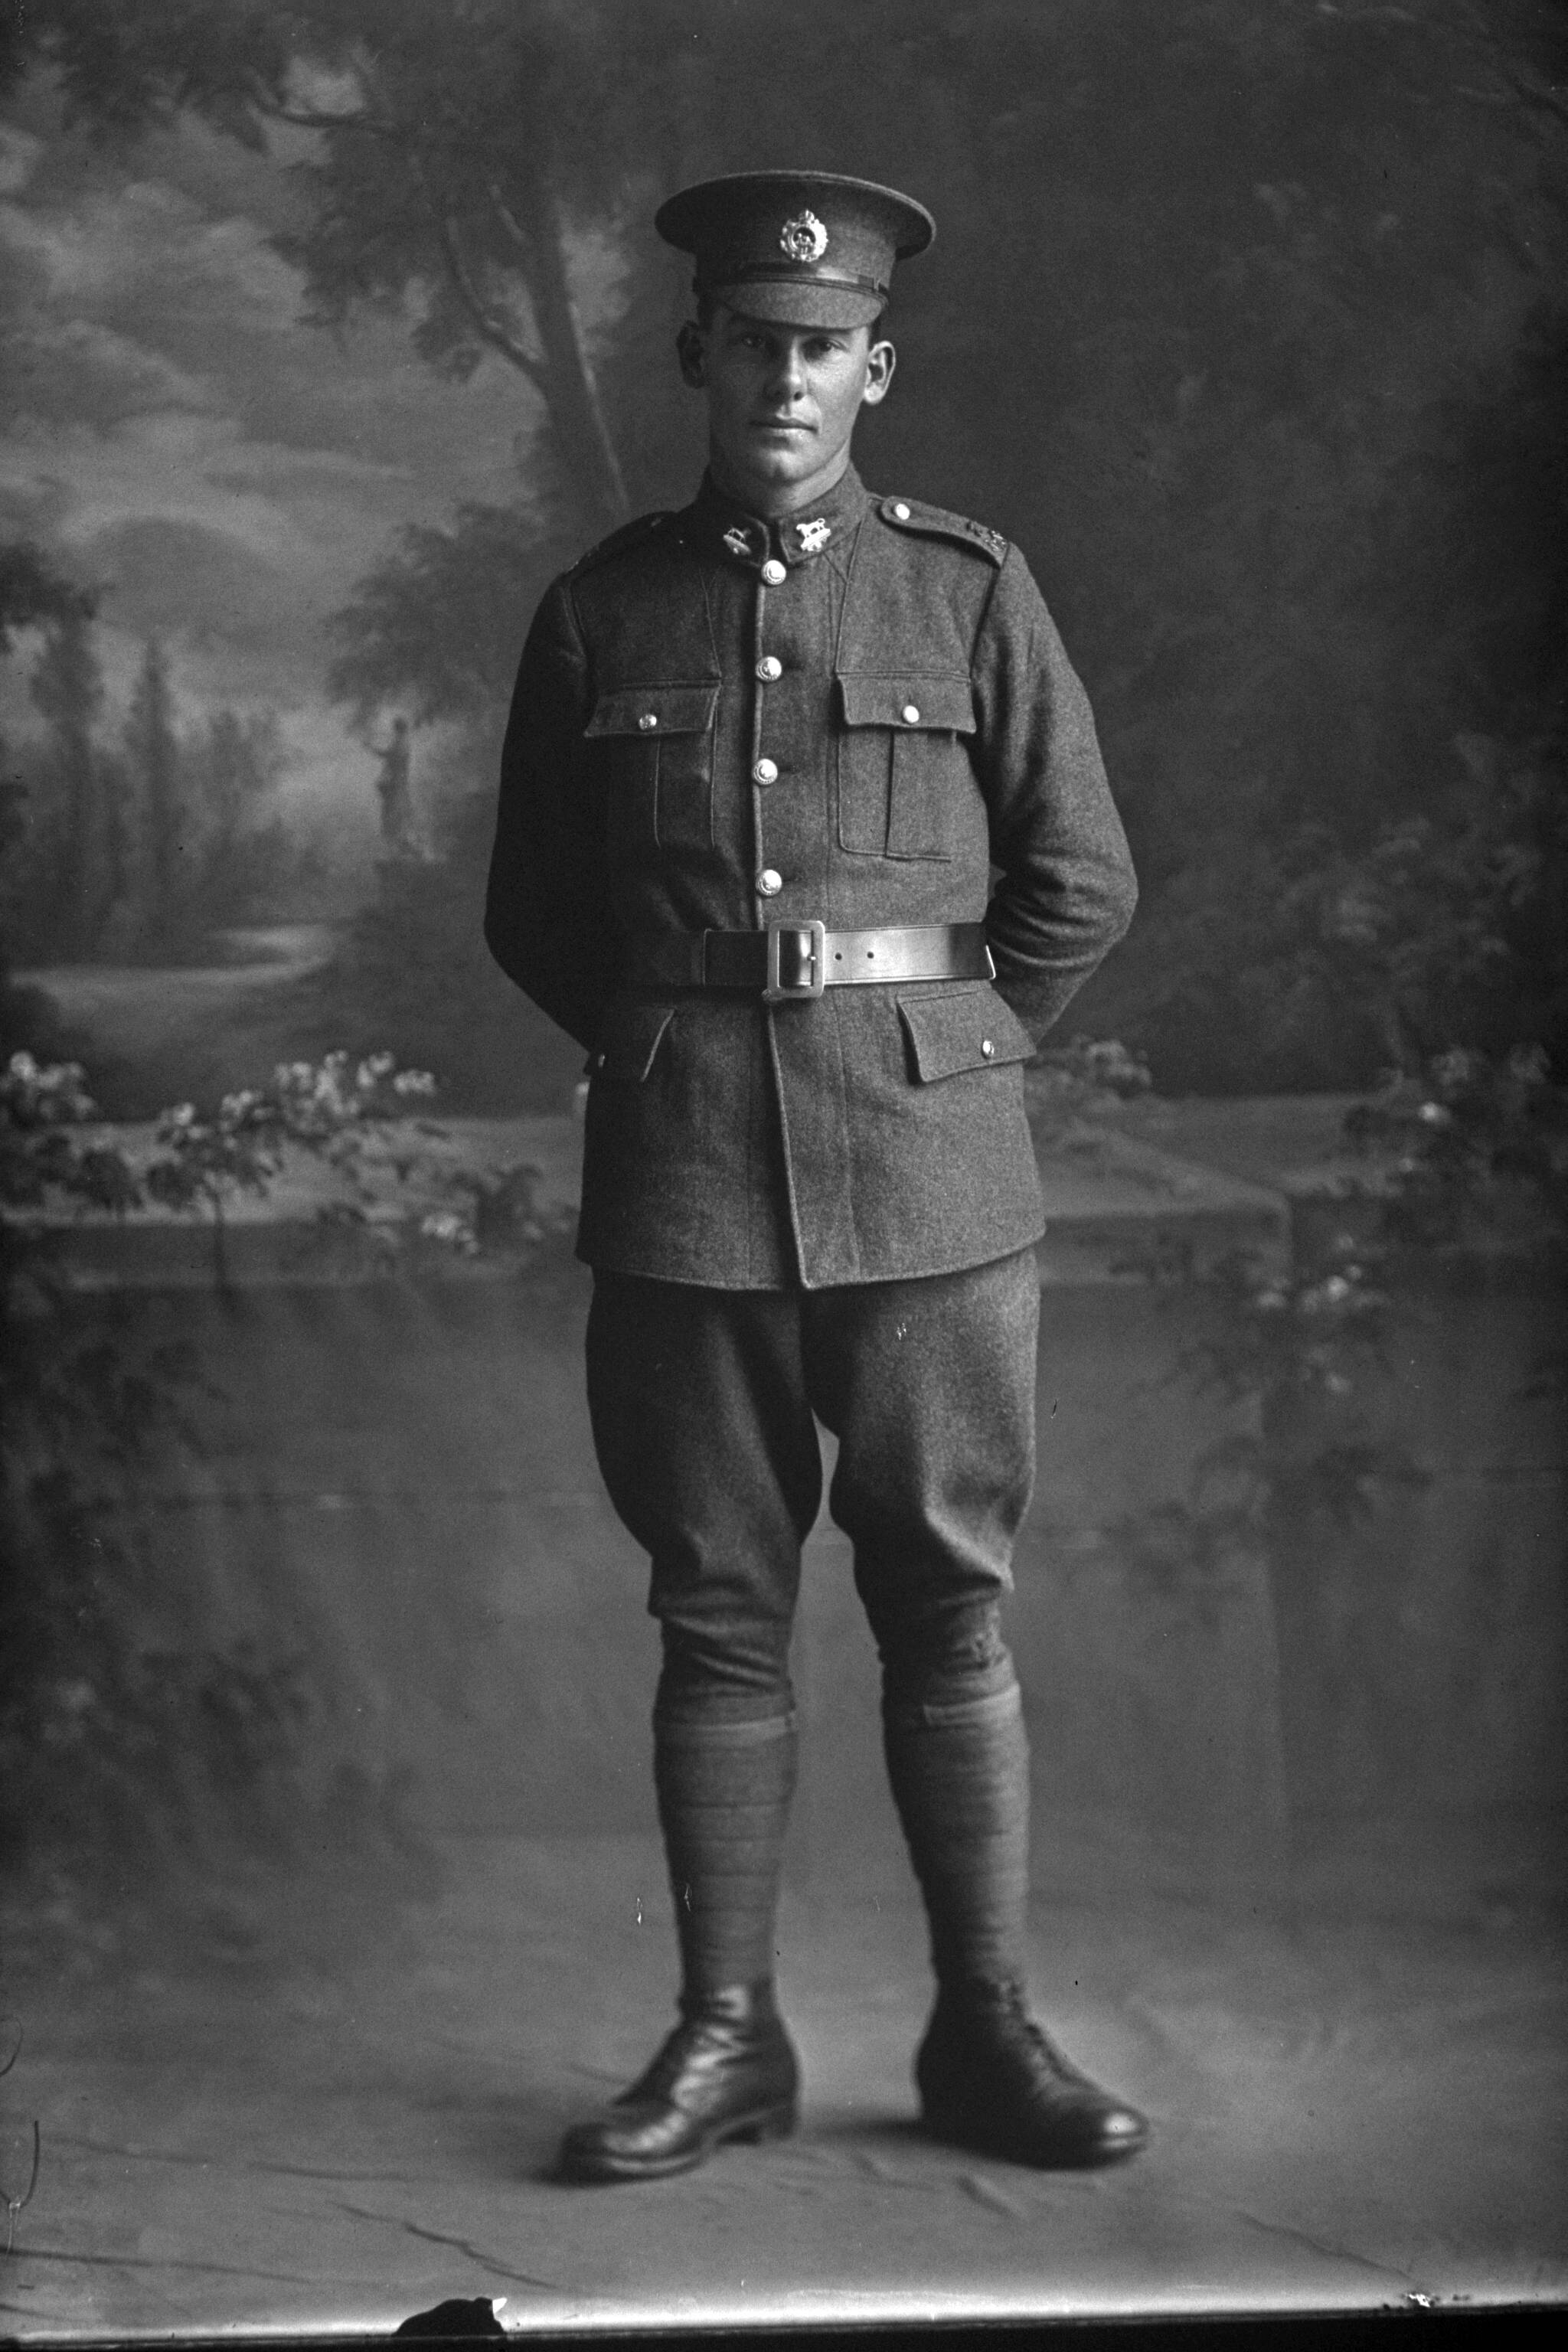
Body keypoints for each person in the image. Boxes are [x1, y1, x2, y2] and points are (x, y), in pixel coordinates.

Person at [485, 171, 1145, 2185]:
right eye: (753, 341)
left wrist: (945, 1056)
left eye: (822, 346)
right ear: (697, 353)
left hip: (936, 1186)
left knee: (948, 1607)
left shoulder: (968, 590)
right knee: (718, 1614)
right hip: (686, 1178)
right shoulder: (604, 609)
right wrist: (671, 1038)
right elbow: (534, 910)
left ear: (876, 365)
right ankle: (725, 2041)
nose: (785, 375)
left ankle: (984, 2035)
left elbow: (1080, 881)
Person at [374, 715, 415, 855]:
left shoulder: (401, 743)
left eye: (396, 728)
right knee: (395, 814)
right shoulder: (401, 742)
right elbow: (390, 757)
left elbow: (391, 757)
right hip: (397, 782)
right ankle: (398, 849)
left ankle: (399, 850)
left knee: (394, 814)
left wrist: (372, 749)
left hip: (397, 783)